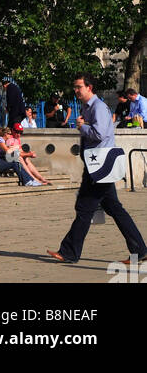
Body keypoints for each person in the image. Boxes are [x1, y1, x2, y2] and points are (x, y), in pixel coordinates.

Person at [49, 72, 147, 266]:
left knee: (85, 208)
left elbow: (100, 134)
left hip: (100, 166)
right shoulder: (89, 107)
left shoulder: (98, 107)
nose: (76, 90)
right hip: (97, 165)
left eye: (79, 87)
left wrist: (82, 127)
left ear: (89, 87)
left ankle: (69, 251)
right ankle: (140, 250)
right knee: (114, 208)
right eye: (75, 87)